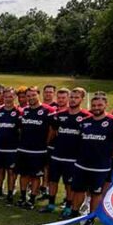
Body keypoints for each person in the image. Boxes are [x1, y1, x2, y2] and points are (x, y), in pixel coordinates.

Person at [70, 92, 113, 225]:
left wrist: (109, 153)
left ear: (106, 105)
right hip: (82, 164)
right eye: (94, 105)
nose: (96, 107)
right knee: (78, 190)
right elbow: (79, 141)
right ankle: (74, 213)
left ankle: (91, 218)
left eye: (99, 105)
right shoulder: (85, 122)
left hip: (100, 166)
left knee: (96, 193)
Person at [42, 87, 89, 215]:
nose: (73, 100)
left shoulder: (86, 117)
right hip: (57, 155)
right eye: (72, 97)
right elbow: (52, 132)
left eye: (76, 97)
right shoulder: (59, 116)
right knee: (53, 181)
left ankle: (68, 207)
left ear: (82, 99)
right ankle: (51, 205)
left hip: (73, 158)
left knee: (69, 184)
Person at [16, 86, 55, 209]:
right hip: (23, 149)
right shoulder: (24, 111)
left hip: (39, 151)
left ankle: (32, 199)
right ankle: (23, 197)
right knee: (23, 175)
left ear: (38, 95)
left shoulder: (48, 110)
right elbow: (20, 129)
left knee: (35, 176)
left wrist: (45, 144)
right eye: (28, 96)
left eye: (33, 95)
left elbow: (52, 130)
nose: (31, 98)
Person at [0, 87, 22, 204]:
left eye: (10, 96)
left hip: (12, 149)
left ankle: (10, 194)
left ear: (14, 97)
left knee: (11, 172)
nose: (8, 99)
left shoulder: (19, 113)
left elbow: (21, 131)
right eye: (6, 96)